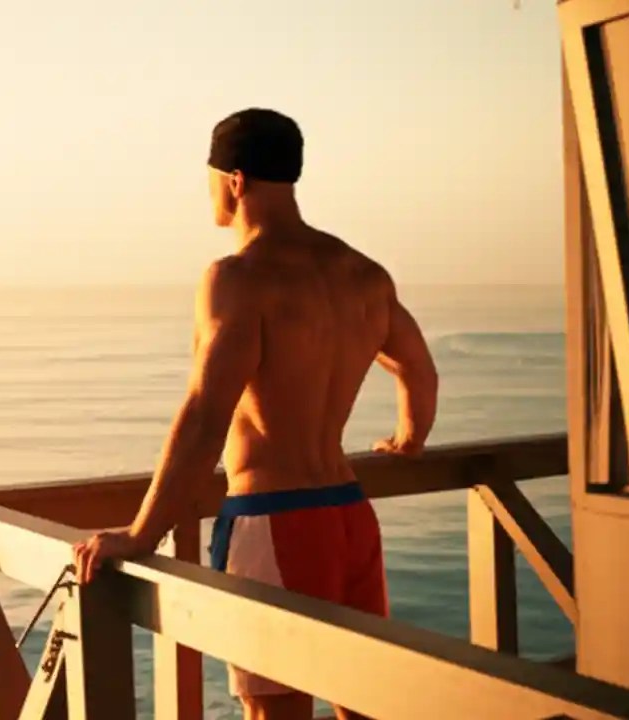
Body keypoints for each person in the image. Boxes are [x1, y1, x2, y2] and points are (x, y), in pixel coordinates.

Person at [71, 108, 439, 720]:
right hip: (348, 516)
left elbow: (204, 417)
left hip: (276, 520)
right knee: (363, 703)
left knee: (276, 713)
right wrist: (409, 438)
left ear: (234, 181)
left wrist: (142, 532)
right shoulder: (363, 274)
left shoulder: (238, 278)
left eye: (211, 177)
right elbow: (418, 371)